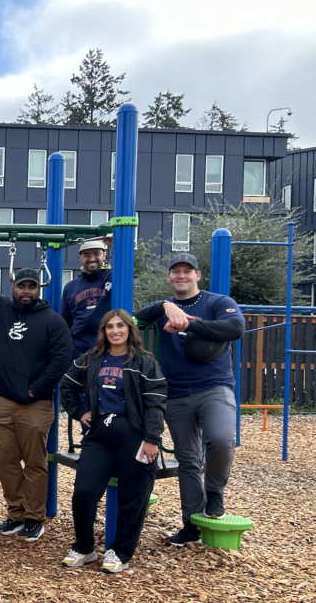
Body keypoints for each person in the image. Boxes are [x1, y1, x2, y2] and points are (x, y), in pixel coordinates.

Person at [133, 253, 245, 547]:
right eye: (175, 272)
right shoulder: (164, 308)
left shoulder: (217, 302)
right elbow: (133, 319)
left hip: (214, 387)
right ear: (169, 278)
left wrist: (189, 325)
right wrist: (167, 306)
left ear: (197, 276)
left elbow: (236, 329)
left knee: (221, 439)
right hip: (177, 392)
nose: (181, 276)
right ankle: (190, 523)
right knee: (188, 459)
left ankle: (216, 493)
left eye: (187, 271)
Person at [0, 239, 72, 542]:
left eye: (31, 287)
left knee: (36, 463)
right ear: (12, 287)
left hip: (35, 403)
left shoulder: (52, 321)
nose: (26, 291)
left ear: (38, 289)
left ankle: (34, 518)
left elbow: (61, 359)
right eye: (21, 286)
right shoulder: (0, 308)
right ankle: (15, 513)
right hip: (1, 400)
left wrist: (36, 389)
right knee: (6, 461)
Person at [59, 309, 167, 573]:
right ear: (103, 332)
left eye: (120, 326)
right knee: (84, 491)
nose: (115, 331)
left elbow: (156, 402)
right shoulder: (92, 359)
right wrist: (79, 412)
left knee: (134, 494)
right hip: (99, 433)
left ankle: (120, 552)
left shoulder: (144, 362)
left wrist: (152, 439)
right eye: (109, 327)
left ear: (130, 329)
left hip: (134, 433)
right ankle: (84, 548)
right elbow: (67, 385)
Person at [60, 239, 113, 360]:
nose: (92, 258)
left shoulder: (113, 276)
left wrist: (116, 244)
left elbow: (126, 264)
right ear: (80, 258)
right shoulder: (71, 287)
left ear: (104, 255)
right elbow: (64, 322)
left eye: (96, 254)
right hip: (78, 348)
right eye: (87, 255)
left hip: (108, 345)